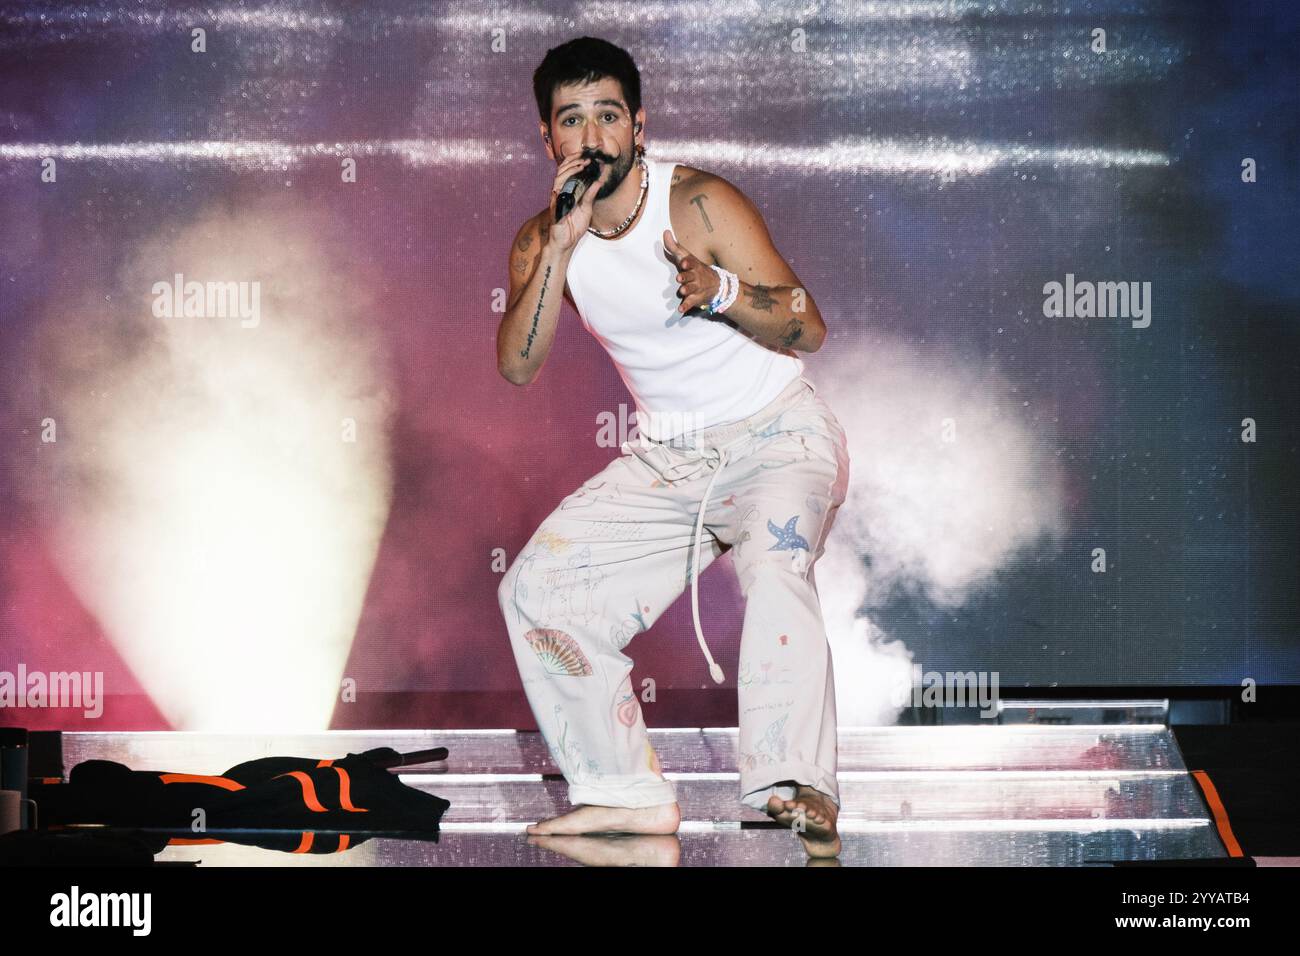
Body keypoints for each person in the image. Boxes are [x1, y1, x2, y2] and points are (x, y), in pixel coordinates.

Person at [495, 37, 850, 858]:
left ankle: (796, 781)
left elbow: (810, 324)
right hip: (673, 458)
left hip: (778, 434)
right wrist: (561, 241)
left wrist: (721, 292)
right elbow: (517, 364)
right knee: (540, 593)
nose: (591, 138)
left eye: (608, 117)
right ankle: (624, 793)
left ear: (641, 126)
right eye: (571, 120)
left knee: (775, 569)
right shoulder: (541, 242)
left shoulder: (698, 203)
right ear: (549, 140)